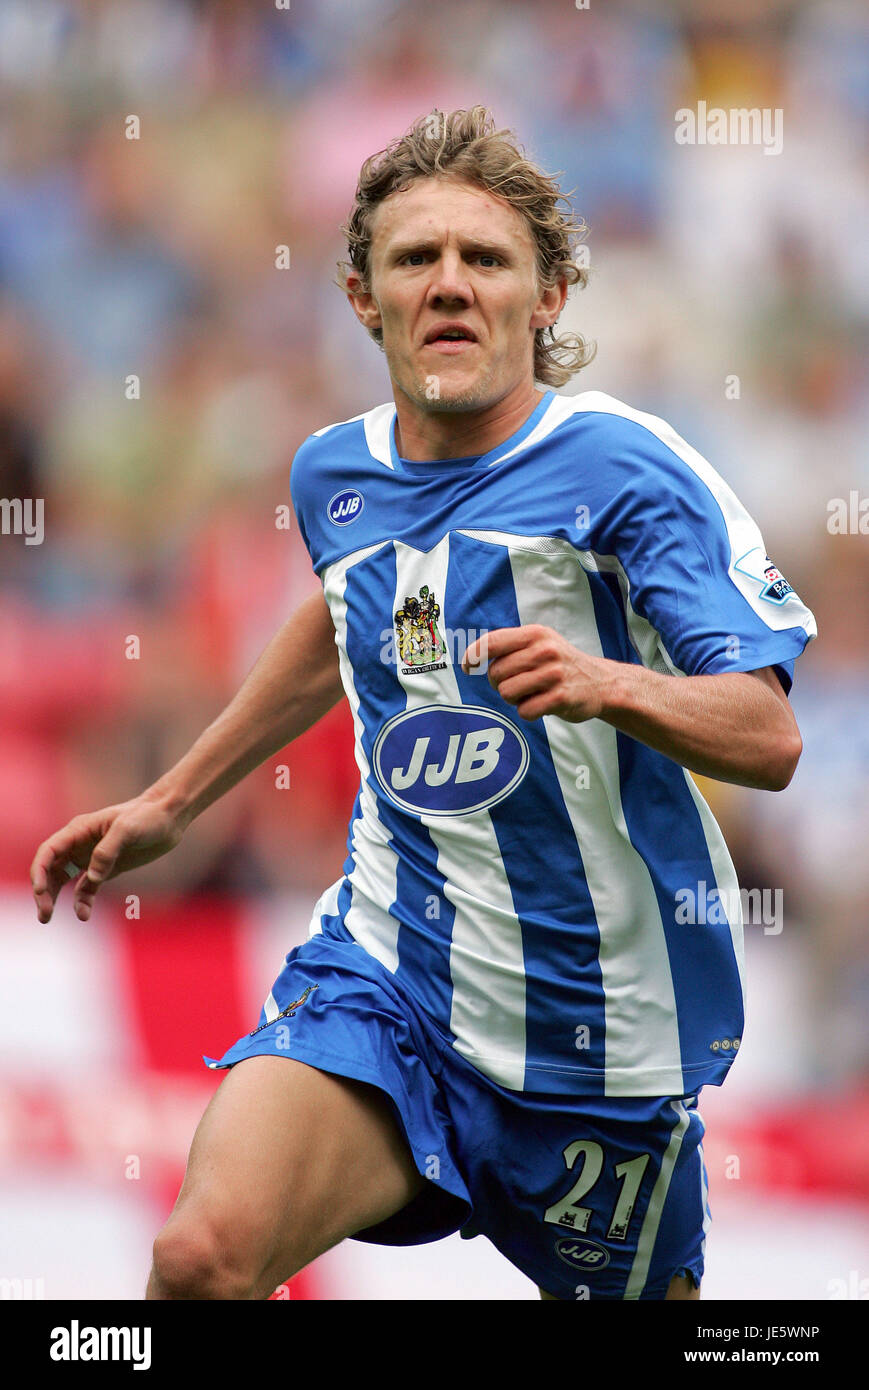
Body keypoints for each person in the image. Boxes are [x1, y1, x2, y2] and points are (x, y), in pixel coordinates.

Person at [30, 107, 816, 1301]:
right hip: (388, 982)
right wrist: (172, 801)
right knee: (198, 1260)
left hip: (592, 1043)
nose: (449, 284)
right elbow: (337, 616)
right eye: (414, 259)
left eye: (485, 259)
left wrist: (606, 683)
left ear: (546, 296)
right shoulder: (332, 476)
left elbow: (767, 737)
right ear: (362, 296)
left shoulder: (625, 467)